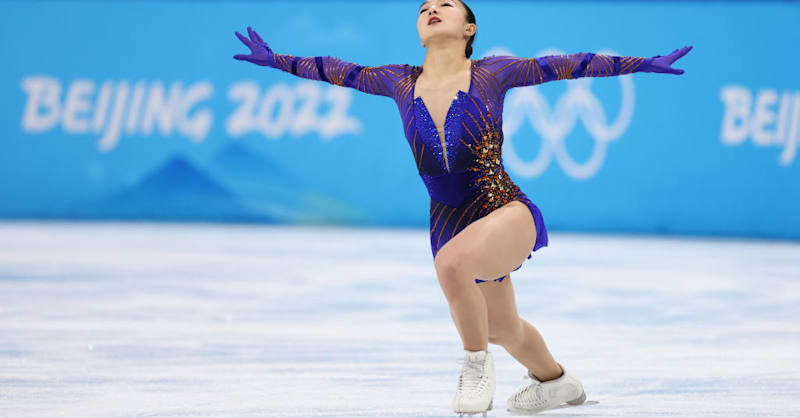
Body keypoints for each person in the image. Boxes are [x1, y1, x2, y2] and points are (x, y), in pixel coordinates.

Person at [234, 1, 691, 415]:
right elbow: (336, 70)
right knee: (501, 327)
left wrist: (642, 64)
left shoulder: (493, 74)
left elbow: (568, 66)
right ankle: (558, 383)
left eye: (446, 5)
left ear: (469, 27)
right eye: (424, 8)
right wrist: (276, 59)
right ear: (419, 31)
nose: (432, 9)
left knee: (452, 266)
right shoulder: (397, 81)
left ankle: (475, 369)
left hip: (504, 210)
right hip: (449, 220)